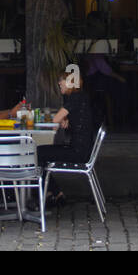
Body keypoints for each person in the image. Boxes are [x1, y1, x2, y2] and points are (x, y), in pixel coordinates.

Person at [36, 67, 94, 205]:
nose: (59, 83)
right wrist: (65, 118)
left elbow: (54, 119)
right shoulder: (79, 97)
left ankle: (52, 192)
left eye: (61, 80)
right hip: (81, 148)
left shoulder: (75, 98)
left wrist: (58, 118)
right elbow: (64, 116)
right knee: (40, 153)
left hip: (78, 152)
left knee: (37, 153)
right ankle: (53, 193)